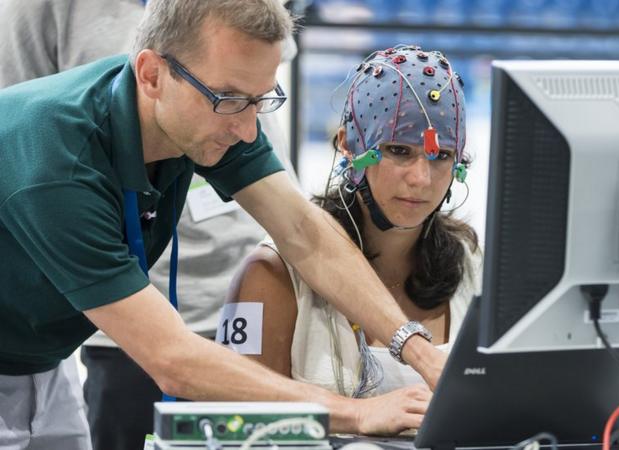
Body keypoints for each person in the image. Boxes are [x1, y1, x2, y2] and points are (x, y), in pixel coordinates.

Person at [0, 1, 447, 448]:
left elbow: (304, 232)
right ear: (152, 74)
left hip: (41, 363)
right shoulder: (60, 166)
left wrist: (419, 351)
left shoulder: (200, 105)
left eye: (261, 100)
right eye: (231, 100)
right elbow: (171, 358)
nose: (248, 131)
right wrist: (356, 412)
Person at [223, 45, 482, 398]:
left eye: (441, 156)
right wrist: (356, 420)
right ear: (347, 145)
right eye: (399, 150)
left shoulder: (473, 267)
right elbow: (241, 423)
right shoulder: (271, 274)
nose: (421, 178)